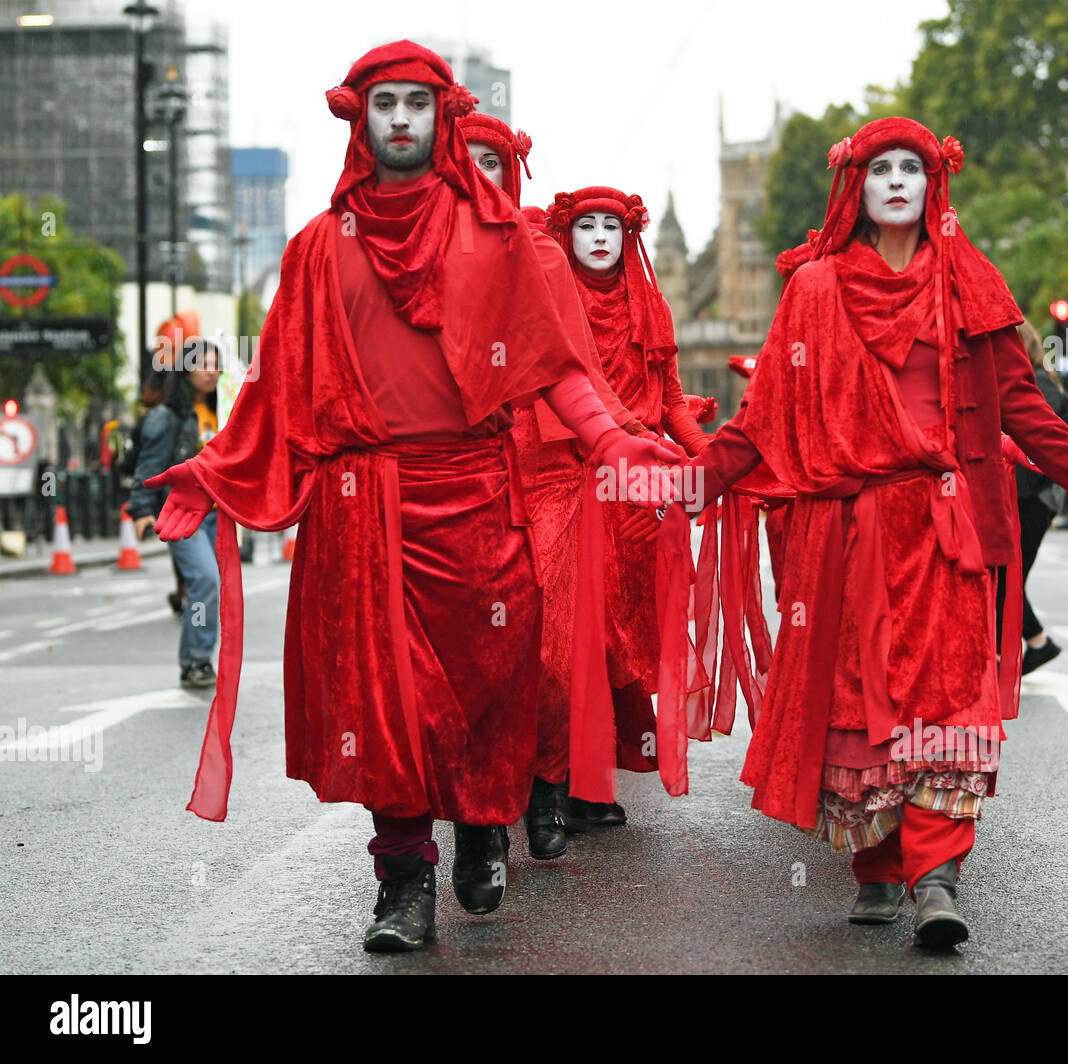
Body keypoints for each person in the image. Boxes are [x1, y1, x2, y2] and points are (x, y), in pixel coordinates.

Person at [144, 41, 677, 953]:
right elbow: (275, 385)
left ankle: (480, 830)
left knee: (486, 693)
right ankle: (402, 882)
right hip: (365, 508)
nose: (399, 118)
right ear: (361, 119)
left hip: (477, 499)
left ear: (441, 119)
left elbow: (555, 366)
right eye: (382, 103)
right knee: (381, 703)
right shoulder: (319, 245)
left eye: (415, 104)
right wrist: (213, 469)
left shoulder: (498, 235)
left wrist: (614, 438)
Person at [663, 117, 1068, 948]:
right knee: (859, 708)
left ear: (935, 185)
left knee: (945, 701)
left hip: (942, 531)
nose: (897, 181)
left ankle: (936, 878)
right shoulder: (815, 290)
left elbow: (1026, 411)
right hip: (849, 534)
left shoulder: (967, 283)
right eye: (880, 169)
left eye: (914, 168)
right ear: (854, 188)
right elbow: (762, 418)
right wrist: (696, 479)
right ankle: (878, 868)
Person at [457, 110, 660, 859]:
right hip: (459, 477)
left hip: (550, 479)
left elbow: (574, 371)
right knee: (469, 650)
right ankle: (472, 818)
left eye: (493, 159)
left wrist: (629, 440)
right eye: (466, 156)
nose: (479, 172)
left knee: (548, 648)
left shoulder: (540, 259)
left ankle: (547, 787)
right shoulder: (412, 254)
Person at [542, 187, 707, 831]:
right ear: (568, 236)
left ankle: (591, 785)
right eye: (588, 225)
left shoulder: (652, 310)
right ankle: (553, 781)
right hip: (564, 486)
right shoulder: (547, 305)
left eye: (613, 225)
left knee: (623, 645)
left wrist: (711, 457)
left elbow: (670, 402)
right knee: (571, 639)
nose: (602, 237)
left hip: (635, 498)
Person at [128, 342, 222, 688]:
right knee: (205, 579)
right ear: (186, 370)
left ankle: (194, 661)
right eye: (204, 364)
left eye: (216, 364)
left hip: (219, 515)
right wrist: (140, 510)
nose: (212, 371)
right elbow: (148, 467)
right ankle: (198, 659)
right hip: (183, 514)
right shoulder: (166, 417)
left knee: (212, 586)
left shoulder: (223, 411)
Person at [994, 320, 1068, 675]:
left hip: (1035, 496)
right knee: (1005, 576)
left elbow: (1040, 444)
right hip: (1029, 493)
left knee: (1006, 577)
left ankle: (1035, 643)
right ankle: (1021, 647)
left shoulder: (1040, 385)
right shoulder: (1039, 382)